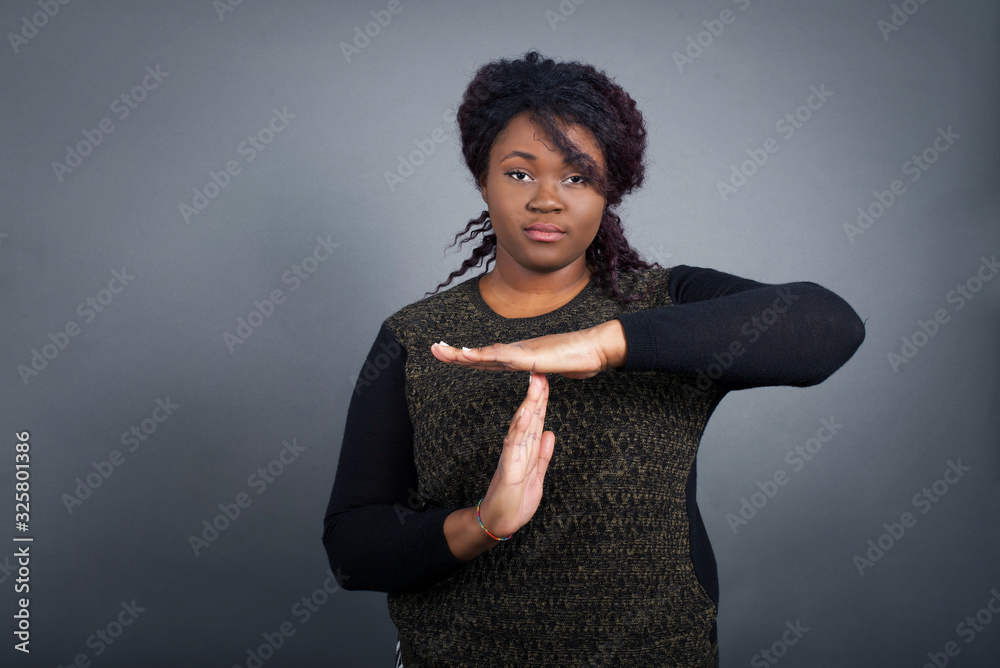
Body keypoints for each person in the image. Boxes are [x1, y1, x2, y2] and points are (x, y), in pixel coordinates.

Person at [323, 50, 865, 667]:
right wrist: (484, 523)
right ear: (482, 178)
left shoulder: (668, 304)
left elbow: (830, 325)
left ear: (611, 187)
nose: (547, 199)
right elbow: (352, 548)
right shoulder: (417, 337)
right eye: (520, 173)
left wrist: (605, 343)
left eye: (577, 176)